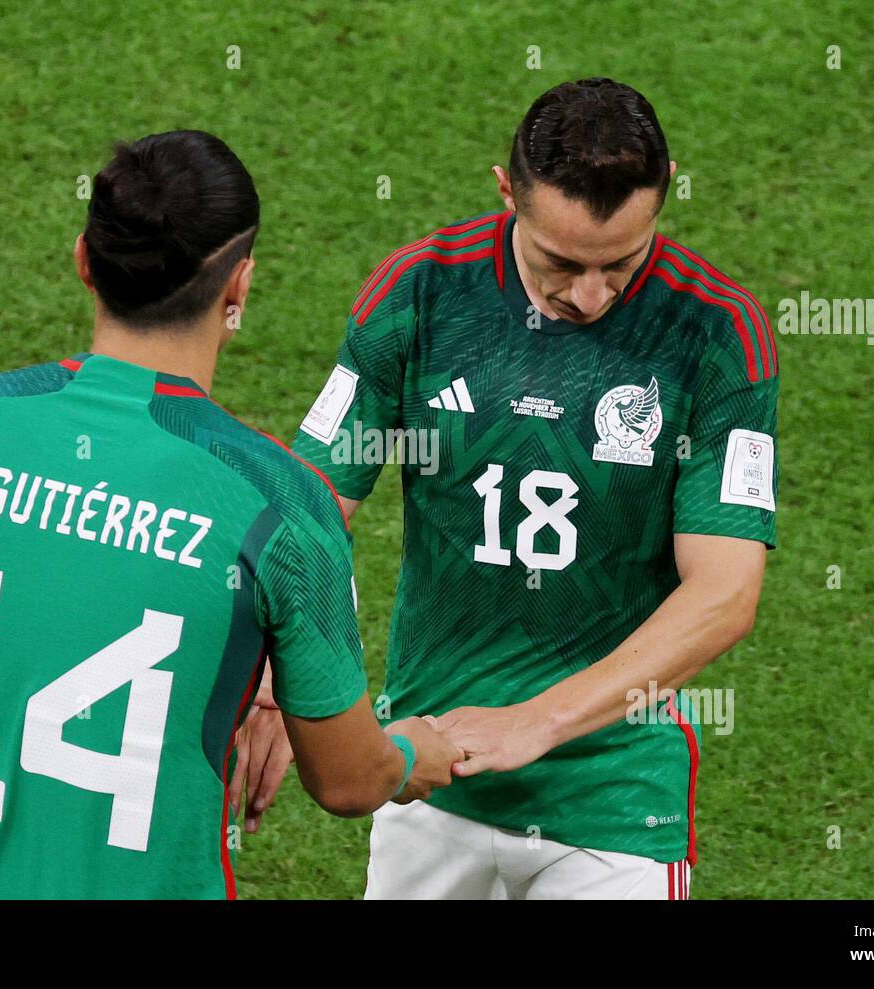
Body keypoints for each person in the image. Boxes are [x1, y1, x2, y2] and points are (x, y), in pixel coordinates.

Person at [0, 130, 461, 899]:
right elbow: (349, 779)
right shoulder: (281, 502)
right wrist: (408, 755)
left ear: (83, 262)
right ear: (240, 288)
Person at [287, 78, 779, 899]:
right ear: (505, 190)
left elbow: (725, 594)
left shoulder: (718, 332)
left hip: (614, 798)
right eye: (560, 262)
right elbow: (308, 515)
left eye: (622, 262)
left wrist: (535, 722)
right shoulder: (419, 293)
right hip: (428, 767)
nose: (589, 296)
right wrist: (275, 684)